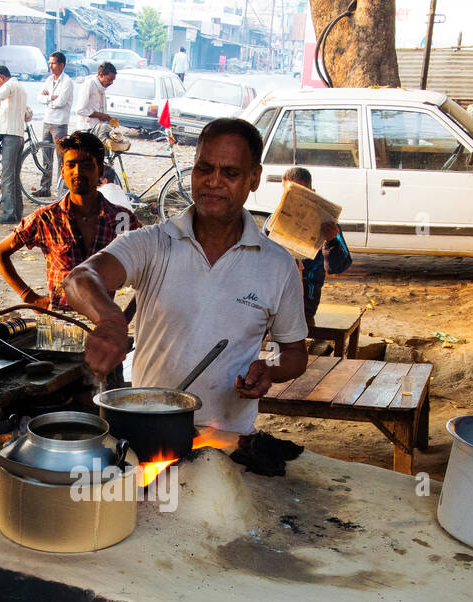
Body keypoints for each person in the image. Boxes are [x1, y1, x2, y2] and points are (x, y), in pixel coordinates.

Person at [63, 117, 307, 434]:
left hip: (226, 438)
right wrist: (110, 319)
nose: (213, 182)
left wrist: (269, 369)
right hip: (148, 430)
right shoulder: (154, 242)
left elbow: (294, 354)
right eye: (204, 169)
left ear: (254, 178)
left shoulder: (278, 265)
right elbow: (80, 278)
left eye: (230, 173)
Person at [0, 130, 140, 309]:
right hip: (58, 327)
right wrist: (29, 296)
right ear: (63, 171)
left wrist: (125, 318)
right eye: (71, 165)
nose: (78, 172)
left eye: (86, 165)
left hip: (102, 330)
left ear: (99, 169)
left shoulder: (121, 220)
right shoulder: (46, 218)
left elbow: (150, 268)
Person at [276, 165, 352, 338]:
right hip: (275, 296)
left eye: (302, 194)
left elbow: (338, 267)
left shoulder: (328, 225)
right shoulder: (273, 222)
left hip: (305, 300)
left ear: (313, 193)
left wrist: (331, 240)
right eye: (289, 194)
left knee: (294, 335)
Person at [0, 65, 27, 225]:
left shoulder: (9, 86)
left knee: (7, 176)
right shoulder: (21, 89)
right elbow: (27, 112)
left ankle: (8, 213)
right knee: (14, 176)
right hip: (19, 135)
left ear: (1, 77)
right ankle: (17, 212)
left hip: (10, 134)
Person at [35, 51, 73, 197]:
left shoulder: (67, 82)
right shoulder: (49, 79)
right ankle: (44, 187)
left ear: (61, 65)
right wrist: (51, 98)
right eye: (49, 63)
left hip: (59, 123)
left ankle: (62, 189)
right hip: (47, 121)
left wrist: (48, 99)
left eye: (54, 63)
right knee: (46, 156)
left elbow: (61, 102)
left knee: (61, 157)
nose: (51, 66)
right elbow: (39, 98)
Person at [71, 61, 118, 138]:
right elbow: (79, 110)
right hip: (86, 129)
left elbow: (99, 110)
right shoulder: (89, 84)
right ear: (101, 75)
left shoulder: (101, 87)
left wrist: (107, 118)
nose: (111, 83)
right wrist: (99, 115)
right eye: (109, 79)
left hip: (97, 130)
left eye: (113, 80)